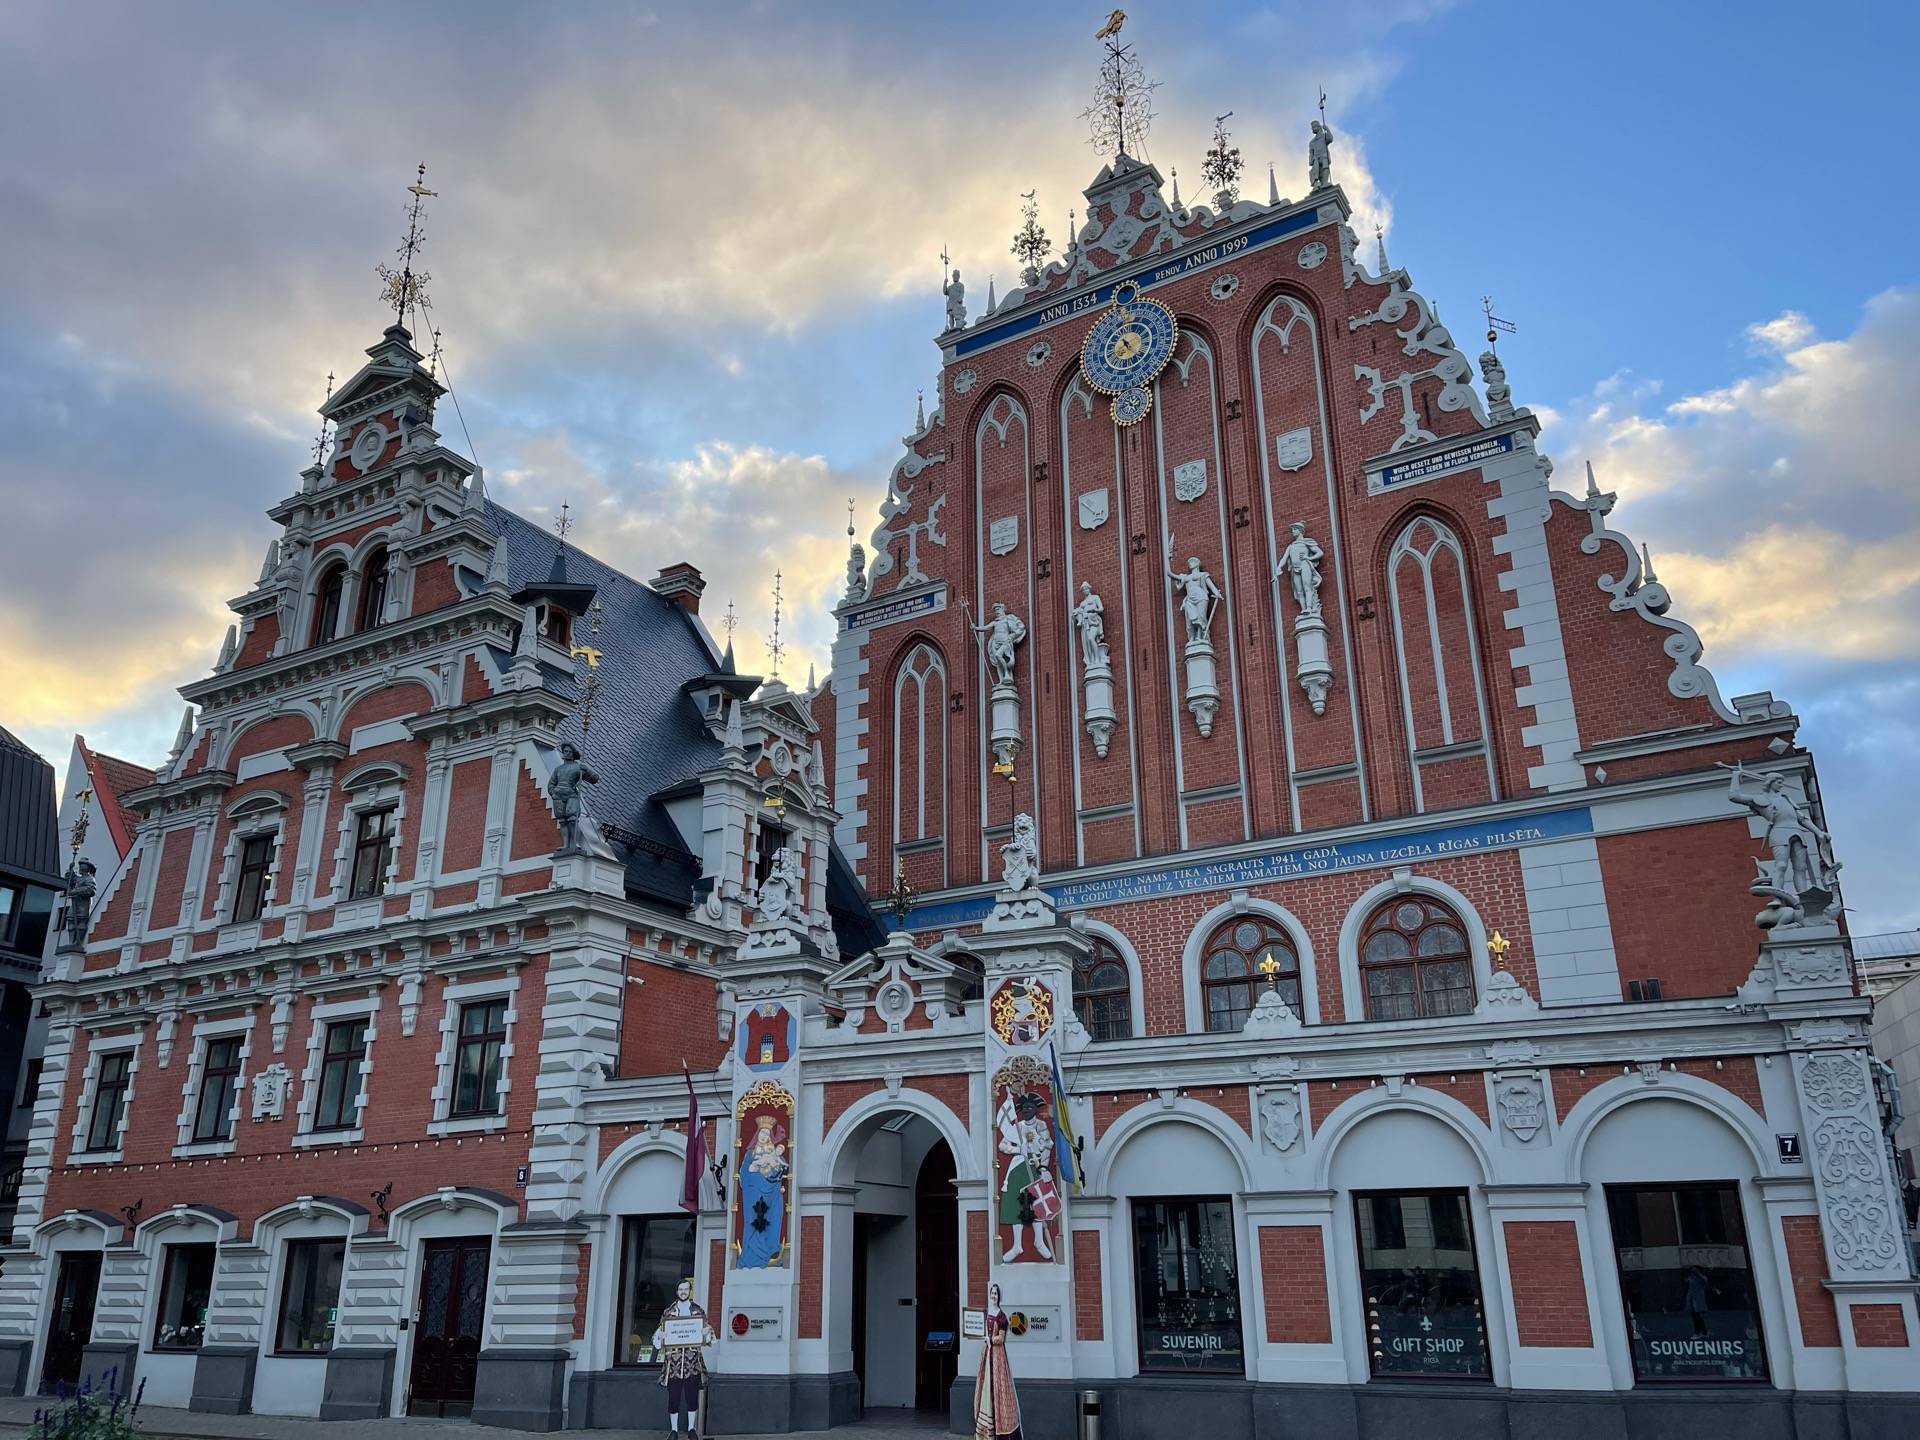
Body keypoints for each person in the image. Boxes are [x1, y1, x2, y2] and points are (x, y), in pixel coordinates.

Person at [652, 1277, 716, 1439]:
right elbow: (658, 1338)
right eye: (681, 1289)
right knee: (673, 1398)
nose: (683, 1292)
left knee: (692, 1397)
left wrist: (707, 1333)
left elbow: (708, 1339)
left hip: (692, 1363)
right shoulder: (668, 1312)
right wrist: (660, 1336)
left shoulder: (698, 1311)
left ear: (689, 1291)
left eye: (686, 1289)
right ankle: (673, 1430)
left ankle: (691, 1429)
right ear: (677, 1291)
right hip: (673, 1364)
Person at [973, 1282, 1023, 1439]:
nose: (993, 1296)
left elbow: (1001, 1339)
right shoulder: (987, 1312)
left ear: (999, 1297)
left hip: (997, 1356)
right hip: (987, 1355)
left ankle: (1000, 1429)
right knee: (986, 1386)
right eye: (992, 1293)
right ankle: (986, 1430)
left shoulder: (1001, 1316)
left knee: (998, 1388)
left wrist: (989, 1339)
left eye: (996, 1294)